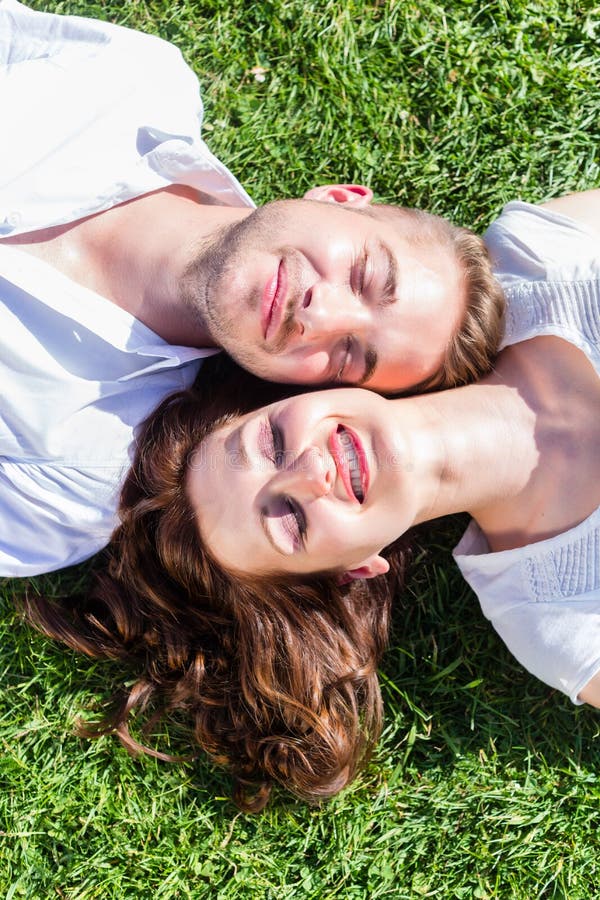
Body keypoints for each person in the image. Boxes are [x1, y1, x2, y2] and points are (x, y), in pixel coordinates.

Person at [25, 192, 600, 810]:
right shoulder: (559, 617)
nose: (308, 473)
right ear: (355, 568)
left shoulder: (539, 259)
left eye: (271, 441)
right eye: (292, 520)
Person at [0, 0, 504, 576]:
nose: (322, 314)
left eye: (346, 355)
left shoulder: (75, 473)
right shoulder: (134, 84)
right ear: (339, 198)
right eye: (365, 275)